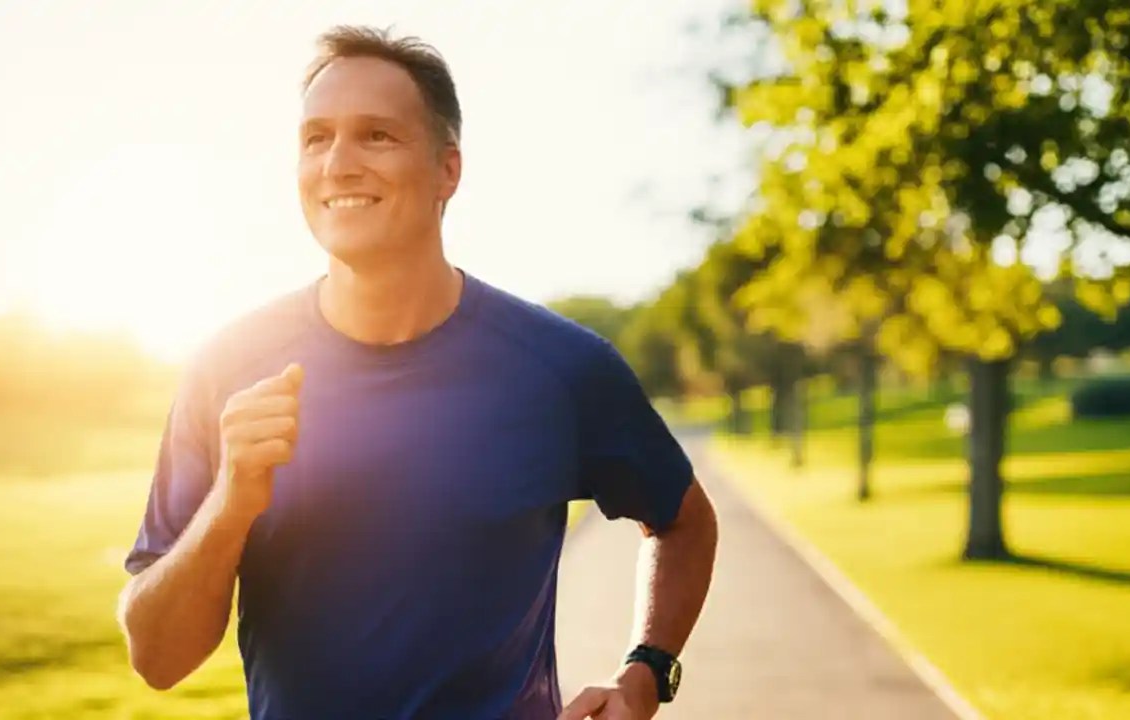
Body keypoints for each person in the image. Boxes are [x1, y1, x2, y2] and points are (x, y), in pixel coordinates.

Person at [115, 24, 718, 720]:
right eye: (317, 138)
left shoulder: (560, 368)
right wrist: (231, 501)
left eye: (376, 135)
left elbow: (684, 521)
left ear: (447, 171)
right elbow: (158, 660)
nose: (338, 163)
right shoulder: (229, 367)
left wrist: (646, 671)